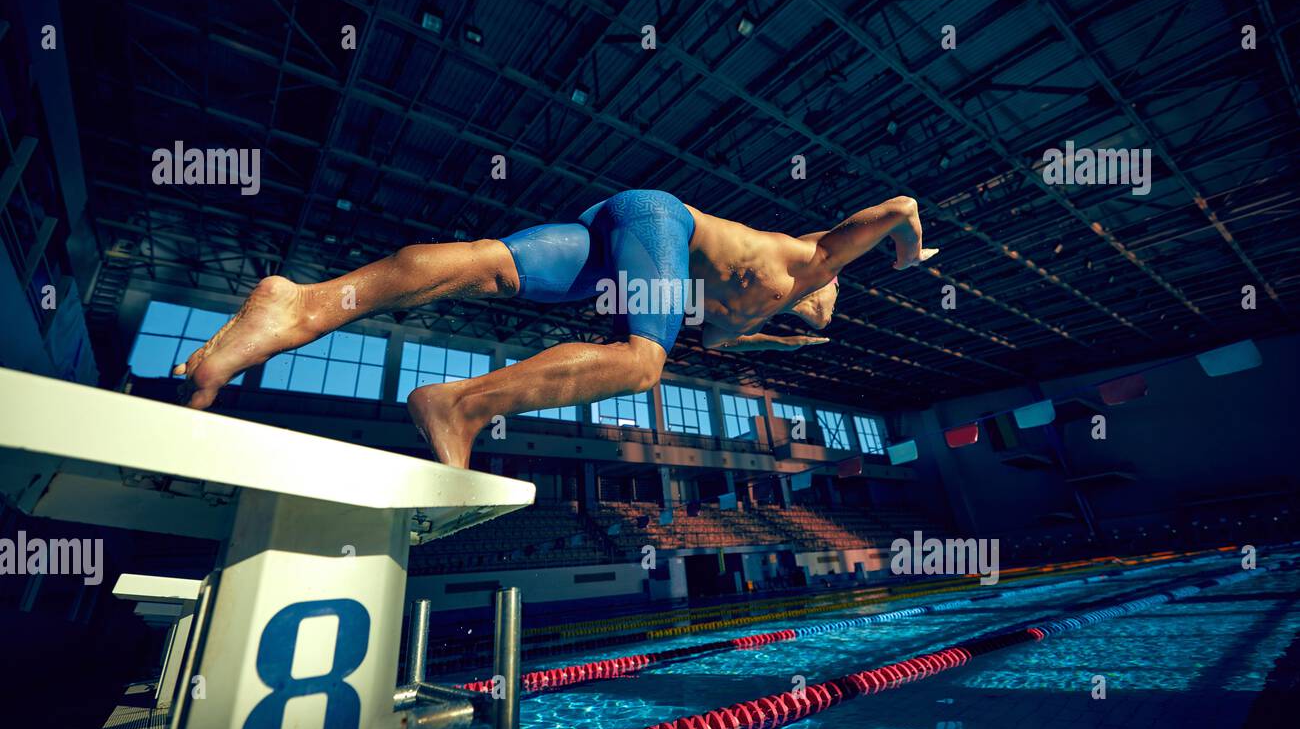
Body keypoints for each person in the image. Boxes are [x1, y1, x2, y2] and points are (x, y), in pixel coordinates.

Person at [174, 190, 936, 468]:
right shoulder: (808, 261)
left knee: (490, 266)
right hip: (658, 218)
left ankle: (298, 304)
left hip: (618, 237)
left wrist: (782, 343)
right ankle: (461, 403)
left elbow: (721, 343)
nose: (836, 307)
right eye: (841, 296)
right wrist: (907, 252)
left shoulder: (752, 318)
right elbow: (901, 206)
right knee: (641, 363)